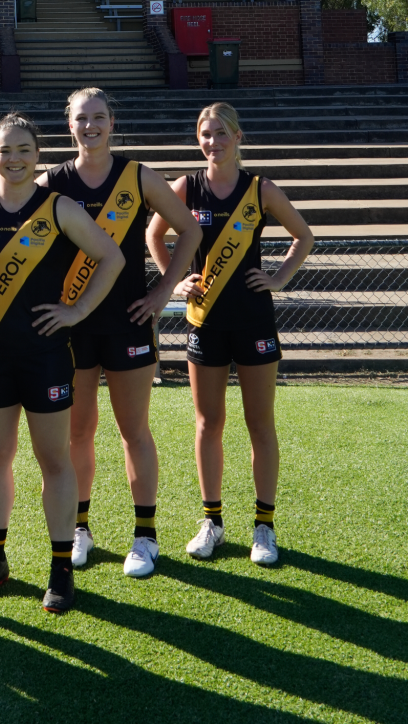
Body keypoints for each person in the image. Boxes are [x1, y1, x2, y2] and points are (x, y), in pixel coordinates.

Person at [0, 113, 124, 612]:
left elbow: (110, 258)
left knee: (55, 461)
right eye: (5, 150)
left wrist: (77, 310)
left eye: (24, 150)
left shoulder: (60, 208)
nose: (14, 159)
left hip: (47, 356)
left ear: (38, 156)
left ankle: (59, 567)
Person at [37, 87, 203, 577]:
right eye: (81, 119)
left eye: (99, 118)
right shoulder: (51, 182)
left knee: (134, 431)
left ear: (112, 122)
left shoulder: (138, 176)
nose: (90, 127)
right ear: (70, 125)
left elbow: (189, 230)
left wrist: (164, 292)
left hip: (127, 320)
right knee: (78, 432)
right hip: (71, 322)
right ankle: (81, 529)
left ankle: (145, 537)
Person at [147, 102, 313, 566]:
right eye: (205, 134)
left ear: (238, 137)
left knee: (260, 423)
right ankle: (212, 522)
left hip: (254, 320)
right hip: (205, 321)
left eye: (221, 133)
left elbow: (304, 236)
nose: (212, 142)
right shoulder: (186, 187)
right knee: (208, 424)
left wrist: (278, 279)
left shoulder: (260, 190)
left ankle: (264, 525)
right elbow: (154, 235)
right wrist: (173, 279)